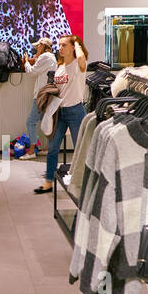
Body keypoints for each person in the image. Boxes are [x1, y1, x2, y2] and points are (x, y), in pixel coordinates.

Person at [36, 35, 87, 194]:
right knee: (52, 148)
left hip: (75, 111)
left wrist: (77, 43)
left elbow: (82, 61)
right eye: (59, 45)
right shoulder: (61, 66)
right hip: (60, 112)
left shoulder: (78, 66)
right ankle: (48, 182)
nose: (60, 48)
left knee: (79, 149)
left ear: (73, 47)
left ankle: (82, 183)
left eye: (64, 45)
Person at [22, 38, 57, 159]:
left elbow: (32, 72)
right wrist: (37, 56)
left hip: (41, 94)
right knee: (46, 121)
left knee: (31, 121)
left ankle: (31, 151)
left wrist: (26, 61)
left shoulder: (45, 57)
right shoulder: (51, 57)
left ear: (42, 45)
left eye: (38, 46)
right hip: (49, 93)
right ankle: (48, 148)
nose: (36, 48)